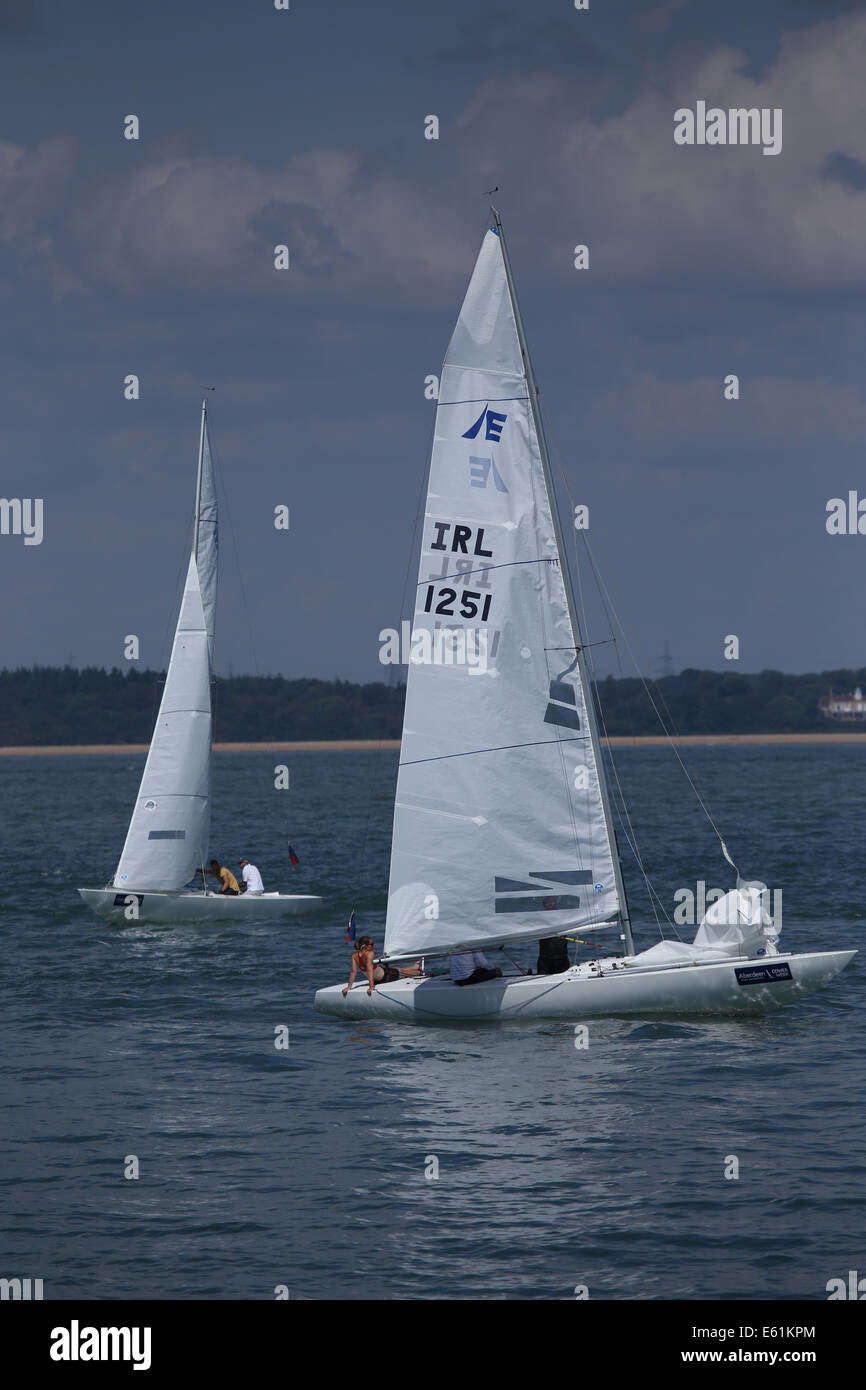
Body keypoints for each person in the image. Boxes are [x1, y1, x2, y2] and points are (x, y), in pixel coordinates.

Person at [342, 936, 424, 996]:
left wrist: (349, 987)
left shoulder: (354, 955)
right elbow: (369, 970)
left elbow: (354, 972)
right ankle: (418, 971)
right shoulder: (370, 954)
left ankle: (416, 967)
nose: (373, 946)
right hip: (384, 976)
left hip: (381, 975)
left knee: (397, 969)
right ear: (366, 946)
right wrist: (371, 986)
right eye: (372, 944)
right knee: (401, 972)